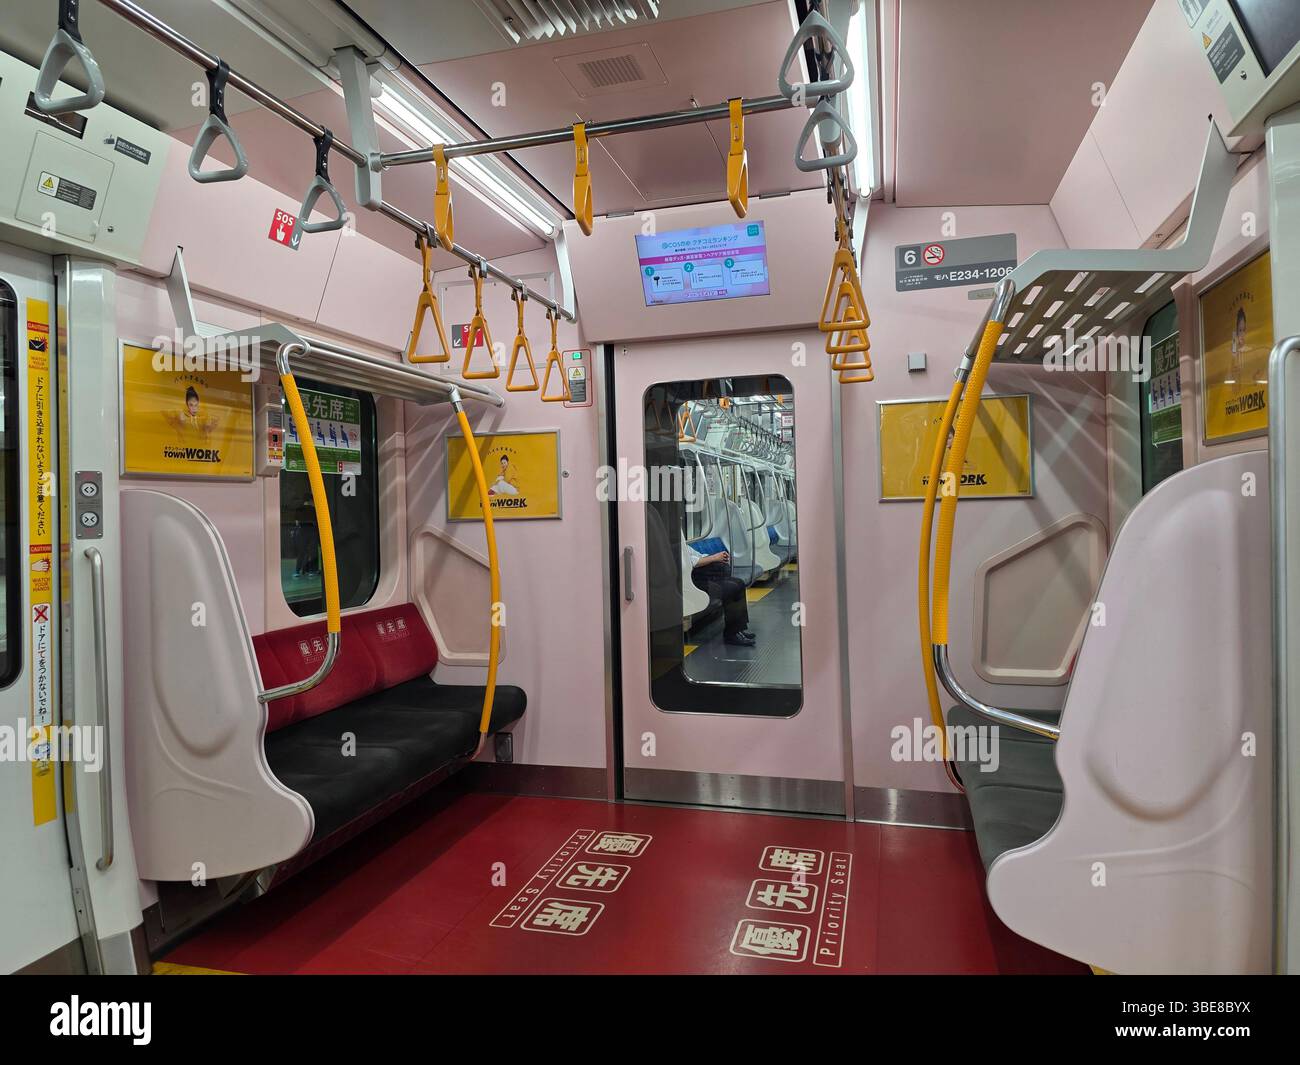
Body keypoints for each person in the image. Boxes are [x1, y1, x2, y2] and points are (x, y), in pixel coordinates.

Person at [687, 544, 756, 647]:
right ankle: (731, 635)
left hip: (701, 578)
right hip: (692, 582)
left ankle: (737, 630)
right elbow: (691, 562)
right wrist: (714, 557)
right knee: (731, 588)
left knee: (739, 583)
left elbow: (697, 555)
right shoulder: (672, 545)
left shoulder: (682, 543)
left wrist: (717, 557)